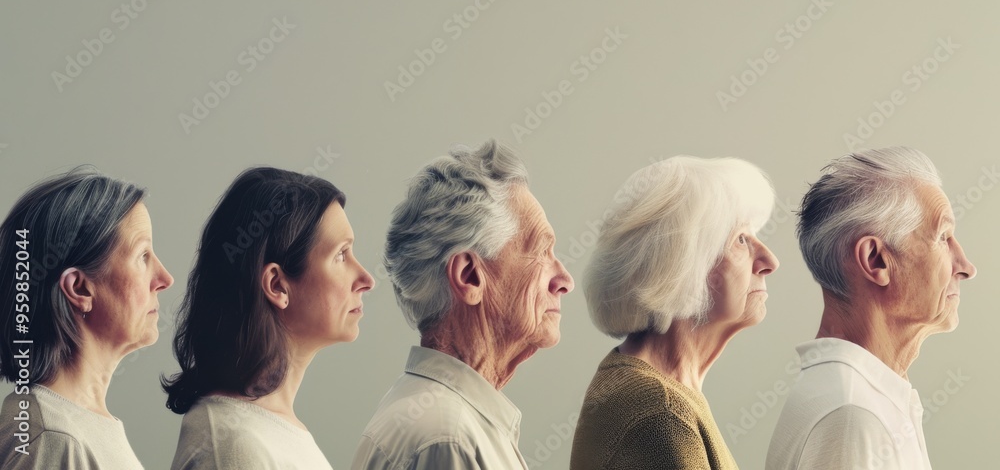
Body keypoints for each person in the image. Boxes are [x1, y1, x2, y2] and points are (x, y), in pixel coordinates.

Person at [351, 140, 574, 470]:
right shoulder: (449, 440)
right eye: (540, 252)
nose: (565, 280)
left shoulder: (452, 423)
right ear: (469, 276)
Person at [765, 147, 977, 470]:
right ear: (875, 260)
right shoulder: (853, 418)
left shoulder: (860, 400)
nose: (966, 266)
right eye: (943, 237)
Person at [570, 156, 779, 470]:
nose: (770, 261)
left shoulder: (661, 391)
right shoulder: (661, 412)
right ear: (682, 264)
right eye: (740, 239)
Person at [164, 167, 373, 469]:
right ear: (277, 285)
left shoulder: (270, 431)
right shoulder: (235, 449)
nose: (367, 278)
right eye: (341, 255)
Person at [0, 167, 174, 469]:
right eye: (143, 256)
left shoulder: (71, 428)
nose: (164, 278)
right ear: (79, 288)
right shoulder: (52, 440)